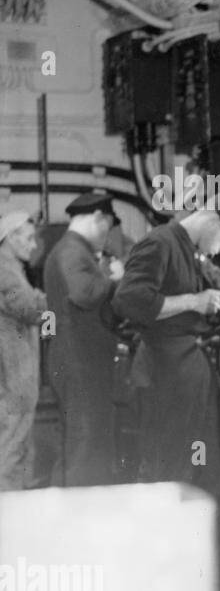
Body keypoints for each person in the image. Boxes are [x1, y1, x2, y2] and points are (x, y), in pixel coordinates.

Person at [111, 202, 220, 498]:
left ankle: (197, 535)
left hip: (188, 372)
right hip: (167, 376)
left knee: (200, 461)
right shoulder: (160, 242)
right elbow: (127, 300)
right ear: (211, 219)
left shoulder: (188, 249)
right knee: (170, 467)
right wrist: (194, 302)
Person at [43, 192, 125, 486]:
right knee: (86, 443)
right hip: (80, 361)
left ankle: (66, 518)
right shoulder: (72, 251)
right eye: (108, 226)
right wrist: (114, 277)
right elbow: (83, 293)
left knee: (79, 442)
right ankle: (78, 522)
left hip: (76, 359)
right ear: (98, 218)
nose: (107, 235)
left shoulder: (69, 250)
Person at [0, 210, 47, 491]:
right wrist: (45, 300)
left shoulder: (12, 268)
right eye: (28, 239)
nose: (33, 245)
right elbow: (30, 307)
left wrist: (39, 300)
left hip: (16, 375)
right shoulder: (5, 270)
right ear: (11, 237)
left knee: (16, 448)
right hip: (14, 376)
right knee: (11, 450)